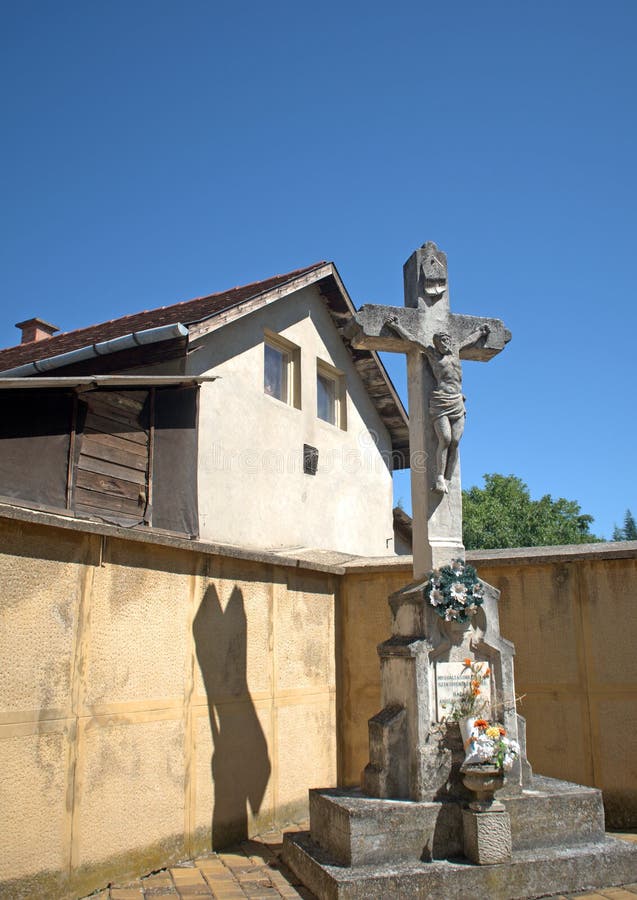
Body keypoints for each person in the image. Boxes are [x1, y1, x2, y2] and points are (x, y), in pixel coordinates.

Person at [385, 316, 489, 493]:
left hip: (457, 401)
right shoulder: (433, 354)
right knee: (445, 439)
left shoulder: (456, 351)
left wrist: (480, 332)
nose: (445, 344)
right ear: (437, 344)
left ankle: (447, 478)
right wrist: (397, 326)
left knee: (455, 441)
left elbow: (470, 340)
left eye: (446, 341)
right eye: (441, 342)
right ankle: (439, 477)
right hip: (441, 401)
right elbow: (413, 340)